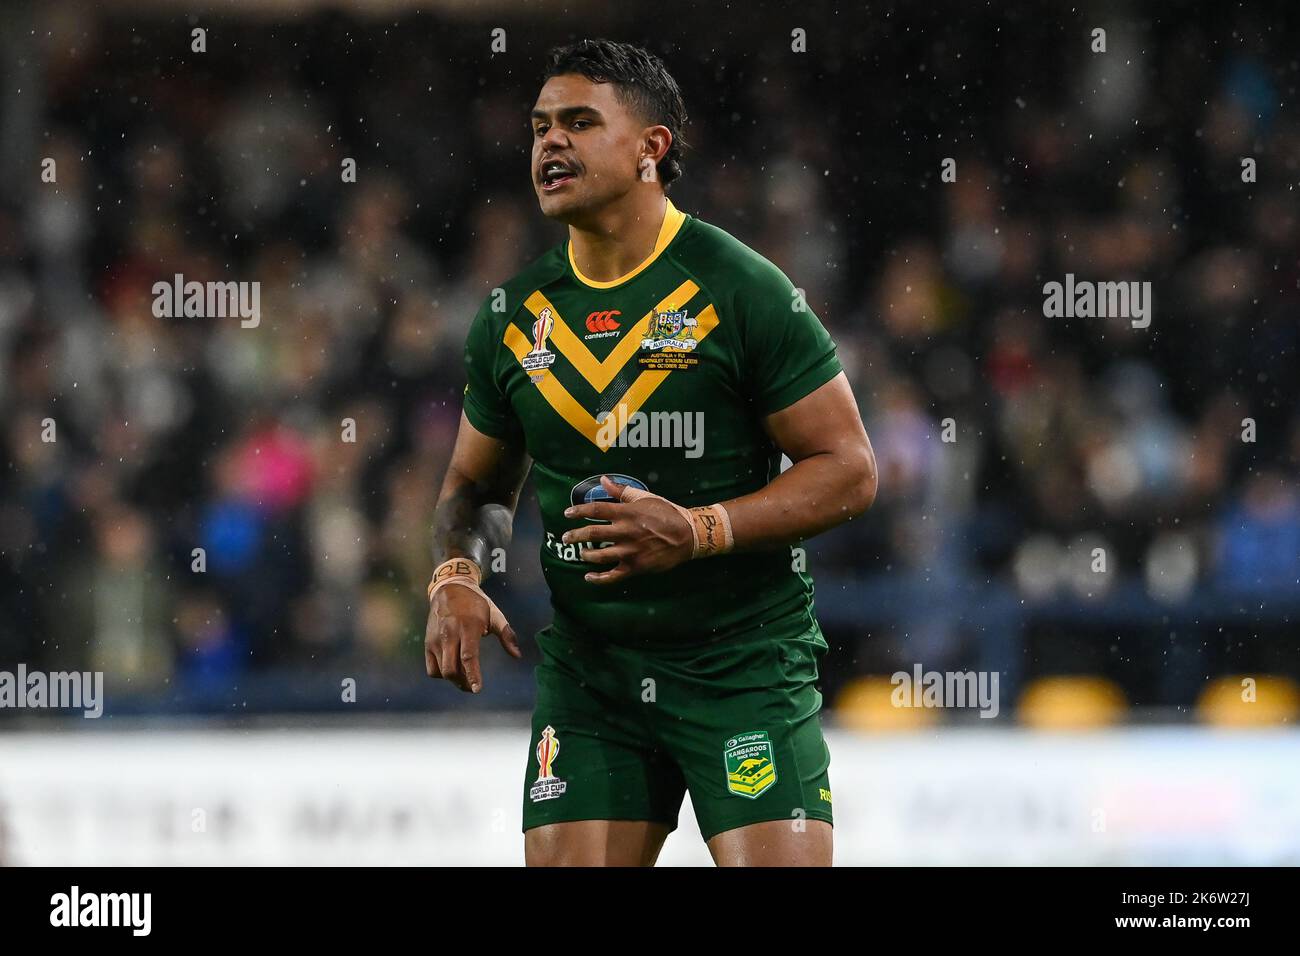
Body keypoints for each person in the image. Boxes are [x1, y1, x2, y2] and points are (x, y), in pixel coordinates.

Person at [425, 38, 877, 866]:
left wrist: (700, 529)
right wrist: (457, 576)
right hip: (593, 673)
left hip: (741, 662)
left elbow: (850, 470)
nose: (549, 143)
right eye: (539, 127)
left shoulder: (743, 288)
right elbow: (474, 482)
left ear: (651, 149)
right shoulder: (511, 314)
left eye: (579, 122)